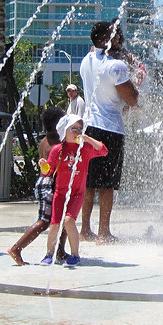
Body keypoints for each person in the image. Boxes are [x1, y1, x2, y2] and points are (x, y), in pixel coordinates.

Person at [79, 19, 141, 243]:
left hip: (89, 127)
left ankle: (85, 229)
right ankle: (104, 232)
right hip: (110, 129)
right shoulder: (116, 66)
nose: (118, 38)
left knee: (89, 182)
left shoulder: (86, 61)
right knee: (107, 184)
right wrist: (135, 84)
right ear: (105, 39)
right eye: (114, 35)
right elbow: (132, 99)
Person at [40, 114, 107, 266]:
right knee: (55, 225)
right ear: (65, 131)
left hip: (77, 193)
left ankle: (75, 255)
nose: (77, 131)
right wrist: (43, 165)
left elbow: (103, 150)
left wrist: (88, 138)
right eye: (73, 128)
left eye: (79, 128)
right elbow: (48, 171)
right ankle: (49, 254)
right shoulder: (58, 149)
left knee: (69, 220)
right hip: (60, 192)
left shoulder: (85, 149)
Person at [7, 106, 67, 265]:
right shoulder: (56, 143)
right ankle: (17, 248)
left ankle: (60, 250)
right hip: (49, 184)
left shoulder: (44, 141)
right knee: (44, 222)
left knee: (62, 218)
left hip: (43, 183)